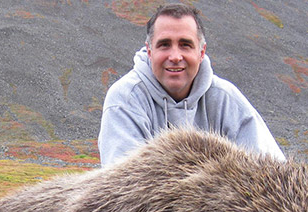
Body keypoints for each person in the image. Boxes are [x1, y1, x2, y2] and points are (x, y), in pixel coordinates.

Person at [98, 3, 286, 167]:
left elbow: (273, 170)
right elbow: (124, 190)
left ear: (201, 51)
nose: (175, 57)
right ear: (149, 50)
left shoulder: (226, 98)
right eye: (164, 44)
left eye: (185, 45)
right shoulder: (125, 99)